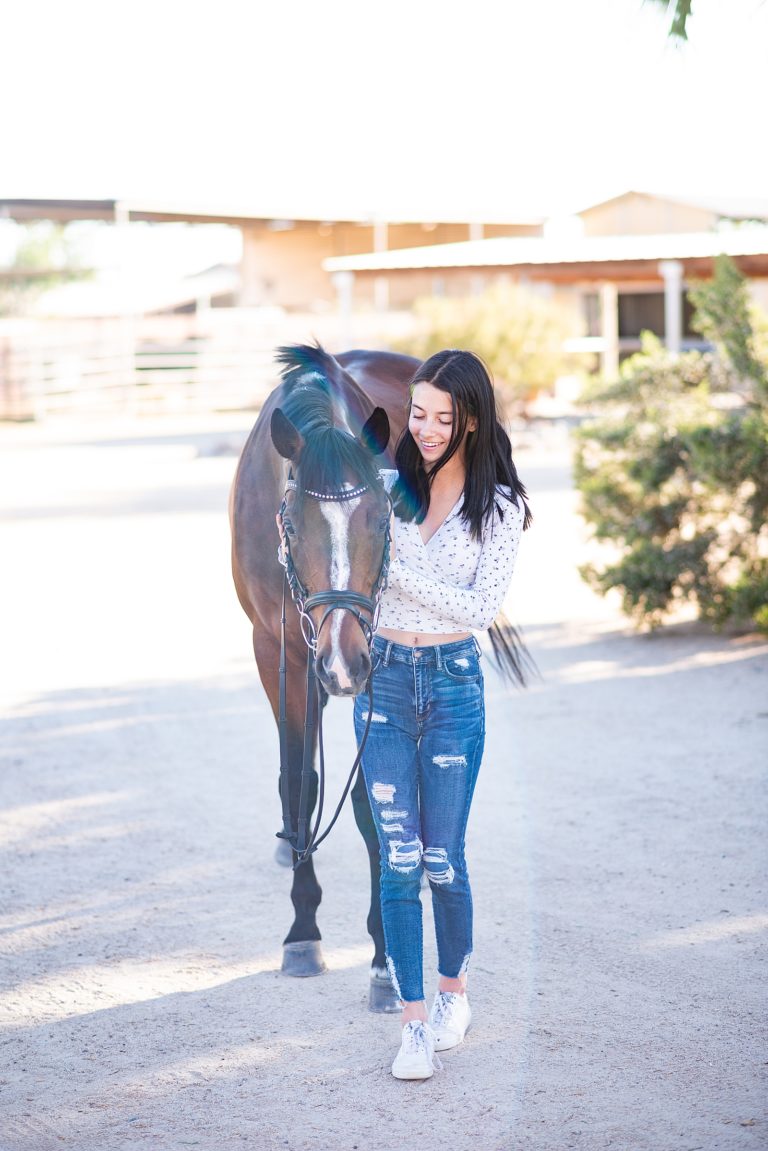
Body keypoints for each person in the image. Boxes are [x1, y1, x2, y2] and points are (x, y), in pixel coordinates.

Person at [354, 348, 531, 1081]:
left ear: (472, 421)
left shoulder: (500, 509)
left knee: (442, 857)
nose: (423, 429)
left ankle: (455, 992)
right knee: (396, 862)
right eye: (417, 413)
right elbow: (344, 563)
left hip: (456, 687)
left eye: (440, 418)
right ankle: (415, 1023)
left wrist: (398, 570)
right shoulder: (386, 490)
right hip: (385, 685)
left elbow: (479, 610)